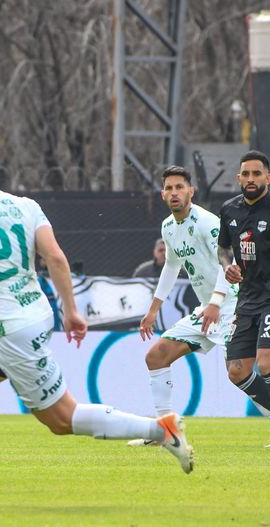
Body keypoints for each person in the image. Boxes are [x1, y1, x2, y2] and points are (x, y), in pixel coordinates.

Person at [0, 136, 194, 504]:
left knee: (62, 419)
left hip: (9, 328)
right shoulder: (24, 205)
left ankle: (162, 430)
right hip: (34, 313)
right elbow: (57, 259)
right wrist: (71, 309)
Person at [128, 165, 238, 446]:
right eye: (169, 188)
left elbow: (229, 263)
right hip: (207, 309)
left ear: (191, 191)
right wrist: (153, 310)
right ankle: (166, 431)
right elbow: (171, 267)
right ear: (163, 193)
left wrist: (215, 303)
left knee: (241, 373)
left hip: (232, 306)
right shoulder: (168, 227)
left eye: (180, 187)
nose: (174, 193)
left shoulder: (208, 222)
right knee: (156, 356)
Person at [217, 150, 270, 427]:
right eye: (246, 174)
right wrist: (227, 265)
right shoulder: (229, 209)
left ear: (267, 177)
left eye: (256, 173)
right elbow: (223, 247)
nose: (251, 179)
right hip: (247, 299)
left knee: (266, 363)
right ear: (238, 177)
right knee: (236, 371)